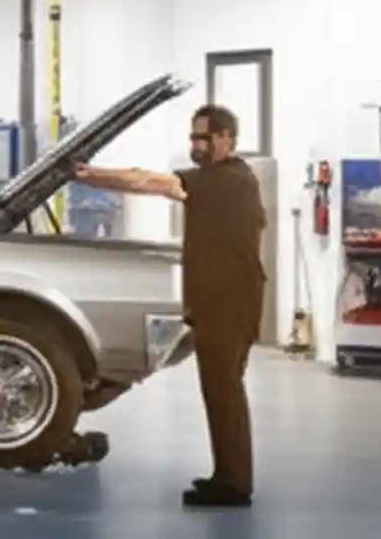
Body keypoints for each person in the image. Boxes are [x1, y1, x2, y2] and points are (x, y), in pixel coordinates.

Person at [71, 104, 266, 508]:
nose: (195, 145)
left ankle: (233, 485)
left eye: (204, 138)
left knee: (223, 390)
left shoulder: (226, 180)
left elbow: (148, 183)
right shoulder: (229, 177)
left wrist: (89, 175)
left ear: (227, 138)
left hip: (228, 303)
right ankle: (230, 477)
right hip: (226, 299)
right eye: (193, 137)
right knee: (222, 390)